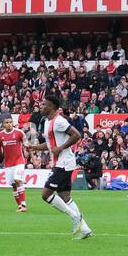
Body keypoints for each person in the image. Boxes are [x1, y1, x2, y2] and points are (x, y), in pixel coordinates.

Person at [25, 91, 92, 239]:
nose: (41, 106)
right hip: (60, 163)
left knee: (45, 194)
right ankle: (85, 228)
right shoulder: (48, 122)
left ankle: (75, 217)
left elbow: (77, 135)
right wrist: (33, 147)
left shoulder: (59, 121)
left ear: (52, 106)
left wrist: (61, 148)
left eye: (44, 104)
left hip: (64, 163)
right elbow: (49, 145)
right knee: (65, 197)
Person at [0, 115, 28, 212]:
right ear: (3, 124)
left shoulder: (19, 132)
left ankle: (24, 204)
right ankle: (20, 206)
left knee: (18, 180)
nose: (9, 124)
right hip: (8, 163)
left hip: (19, 161)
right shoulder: (0, 135)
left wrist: (27, 150)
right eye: (7, 122)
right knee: (13, 185)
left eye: (10, 122)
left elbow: (26, 143)